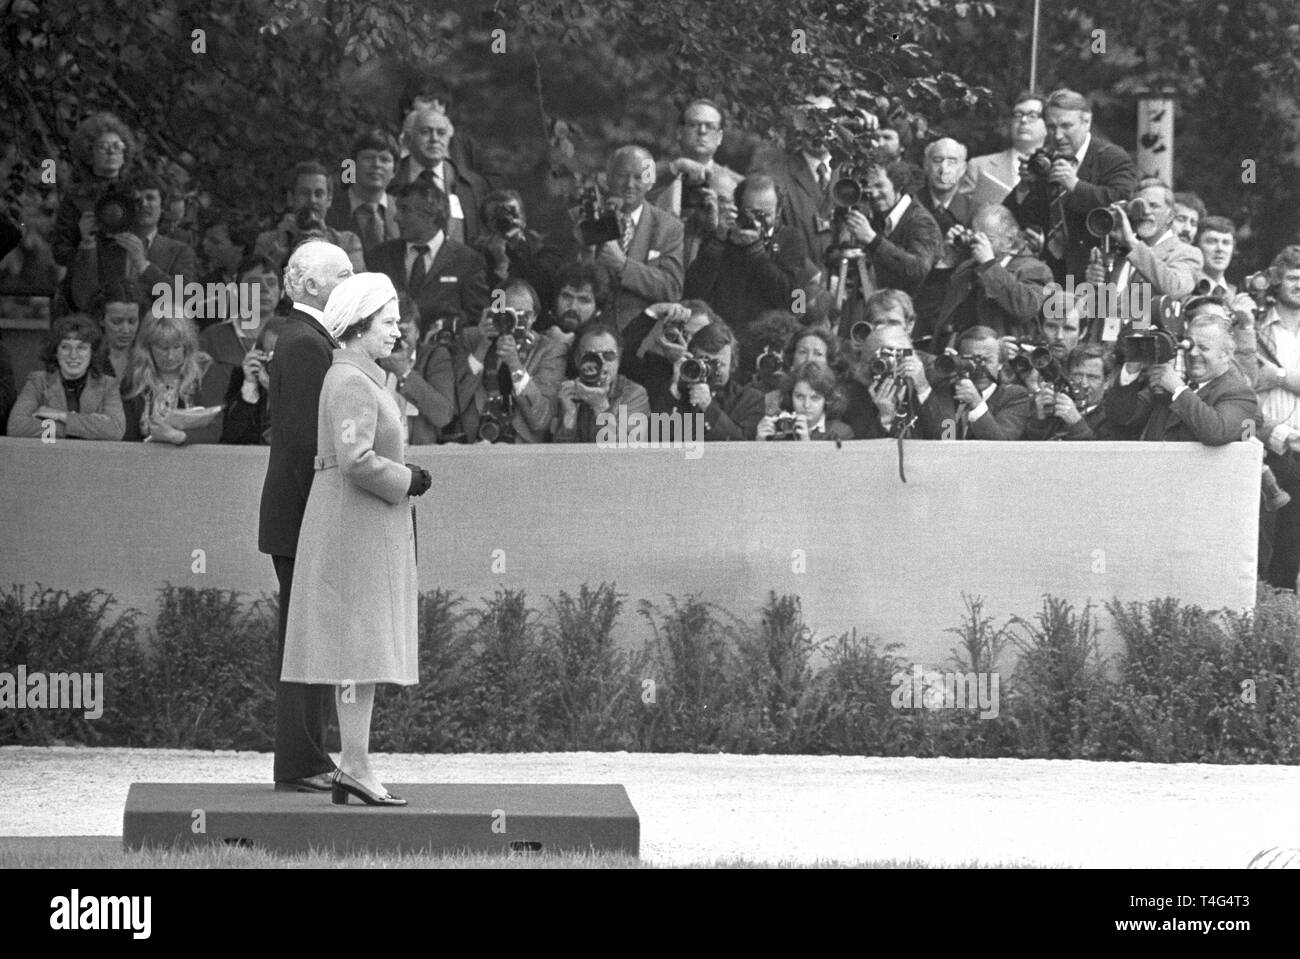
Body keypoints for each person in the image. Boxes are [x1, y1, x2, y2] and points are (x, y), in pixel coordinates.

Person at [281, 272, 430, 807]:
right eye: (388, 323)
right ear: (361, 324)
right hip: (353, 526)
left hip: (360, 524)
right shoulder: (350, 380)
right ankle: (357, 766)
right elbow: (356, 460)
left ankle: (356, 765)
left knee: (359, 651)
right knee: (356, 648)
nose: (397, 332)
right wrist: (407, 479)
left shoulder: (361, 376)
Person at [257, 240, 354, 792]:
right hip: (301, 519)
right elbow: (300, 446)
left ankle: (309, 758)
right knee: (305, 640)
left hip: (300, 515)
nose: (352, 280)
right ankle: (302, 762)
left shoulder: (308, 339)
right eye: (342, 274)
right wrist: (322, 524)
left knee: (312, 637)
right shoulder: (302, 344)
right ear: (311, 285)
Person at [1003, 88, 1137, 285]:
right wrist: (1025, 185)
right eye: (1051, 127)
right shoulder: (1045, 159)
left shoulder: (1111, 157)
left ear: (1087, 121)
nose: (1057, 136)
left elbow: (1121, 201)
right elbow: (1015, 216)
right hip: (1052, 274)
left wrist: (1075, 186)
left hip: (1097, 274)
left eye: (1066, 126)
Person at [683, 173, 813, 350]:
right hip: (722, 341)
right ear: (737, 208)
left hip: (768, 344)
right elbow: (693, 292)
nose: (756, 221)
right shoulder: (720, 237)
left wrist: (756, 251)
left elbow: (797, 304)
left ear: (778, 212)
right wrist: (719, 239)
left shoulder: (790, 239)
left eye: (764, 215)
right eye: (750, 212)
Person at [1105, 310, 1258, 444]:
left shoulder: (1240, 394)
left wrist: (1178, 390)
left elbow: (1217, 432)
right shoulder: (1167, 387)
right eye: (1189, 345)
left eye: (1203, 348)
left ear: (1225, 354)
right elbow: (1122, 417)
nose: (1193, 354)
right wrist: (1131, 369)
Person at [441, 279, 566, 444]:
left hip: (521, 449)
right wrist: (482, 347)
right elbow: (452, 407)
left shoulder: (549, 350)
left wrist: (515, 365)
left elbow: (540, 420)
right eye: (508, 314)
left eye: (523, 315)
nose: (513, 322)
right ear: (494, 313)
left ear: (534, 317)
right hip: (472, 444)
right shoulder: (471, 338)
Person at [366, 178, 489, 336]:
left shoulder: (468, 261)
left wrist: (449, 326)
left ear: (431, 214)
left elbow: (477, 319)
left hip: (445, 354)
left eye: (405, 210)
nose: (396, 218)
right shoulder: (379, 256)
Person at [68, 170, 198, 313]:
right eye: (136, 200)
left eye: (150, 198)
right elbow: (83, 300)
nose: (143, 204)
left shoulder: (180, 251)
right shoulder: (104, 247)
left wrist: (143, 266)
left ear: (162, 206)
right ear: (126, 206)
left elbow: (185, 300)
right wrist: (87, 243)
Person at [927, 204, 1054, 348]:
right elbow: (927, 310)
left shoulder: (1036, 270)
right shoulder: (966, 267)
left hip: (1001, 360)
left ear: (1009, 241)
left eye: (988, 239)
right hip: (955, 354)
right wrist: (946, 262)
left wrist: (989, 265)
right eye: (975, 236)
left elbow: (1024, 308)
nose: (978, 244)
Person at [589, 145, 685, 331]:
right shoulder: (592, 219)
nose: (630, 184)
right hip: (593, 331)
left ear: (650, 182)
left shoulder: (669, 227)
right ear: (608, 178)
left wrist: (624, 265)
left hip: (642, 334)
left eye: (639, 177)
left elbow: (672, 288)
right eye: (622, 175)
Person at [194, 254, 287, 443]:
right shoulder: (211, 338)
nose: (264, 290)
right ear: (236, 290)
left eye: (271, 283)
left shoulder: (296, 337)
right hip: (222, 439)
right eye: (254, 283)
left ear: (282, 292)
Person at [1249, 249, 1300, 588]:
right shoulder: (1255, 326)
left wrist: (1280, 376)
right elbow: (1248, 378)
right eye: (1294, 277)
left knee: (1292, 554)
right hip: (1272, 450)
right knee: (1261, 549)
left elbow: (1268, 376)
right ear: (1278, 279)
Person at [649, 99, 743, 267]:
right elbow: (625, 184)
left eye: (710, 126)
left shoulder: (736, 184)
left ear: (720, 137)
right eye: (694, 124)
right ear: (679, 132)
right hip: (659, 271)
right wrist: (675, 168)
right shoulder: (660, 172)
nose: (702, 131)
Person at [7, 314, 125, 440]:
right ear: (56, 351)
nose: (73, 355)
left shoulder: (108, 385)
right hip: (50, 457)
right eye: (65, 347)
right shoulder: (38, 381)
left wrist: (61, 415)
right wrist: (69, 428)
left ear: (92, 352)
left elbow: (115, 430)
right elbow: (16, 427)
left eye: (81, 348)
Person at [839, 154, 942, 296]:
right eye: (867, 186)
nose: (873, 193)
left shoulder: (920, 221)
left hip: (916, 311)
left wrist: (872, 239)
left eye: (879, 185)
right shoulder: (878, 217)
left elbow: (918, 268)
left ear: (898, 185)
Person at [1083, 179, 1202, 299]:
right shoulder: (1120, 253)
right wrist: (1095, 283)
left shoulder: (1187, 252)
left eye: (1153, 206)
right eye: (1139, 206)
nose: (1145, 211)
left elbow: (1175, 289)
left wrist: (1132, 244)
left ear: (1170, 216)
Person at [391, 104, 489, 244]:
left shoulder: (473, 185)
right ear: (408, 139)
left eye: (441, 133)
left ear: (449, 139)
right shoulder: (388, 177)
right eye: (425, 132)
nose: (434, 139)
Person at [119, 309, 217, 444]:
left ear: (187, 346)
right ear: (148, 348)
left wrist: (177, 436)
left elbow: (216, 431)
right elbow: (125, 434)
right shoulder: (134, 378)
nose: (170, 356)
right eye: (163, 348)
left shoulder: (205, 373)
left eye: (176, 347)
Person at [918, 325, 1031, 440]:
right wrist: (943, 369)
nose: (979, 369)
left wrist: (976, 403)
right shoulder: (945, 391)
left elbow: (1001, 445)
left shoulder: (1014, 396)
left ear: (1000, 363)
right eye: (971, 360)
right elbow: (939, 437)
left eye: (986, 360)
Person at [254, 161, 366, 274]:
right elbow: (252, 288)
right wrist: (279, 251)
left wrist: (323, 243)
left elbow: (356, 287)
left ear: (329, 200)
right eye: (304, 193)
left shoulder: (347, 242)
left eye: (318, 194)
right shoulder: (267, 241)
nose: (312, 200)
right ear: (291, 198)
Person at [664, 320, 764, 440]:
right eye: (704, 361)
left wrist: (709, 407)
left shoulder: (750, 399)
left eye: (719, 364)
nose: (710, 369)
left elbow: (741, 447)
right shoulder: (677, 391)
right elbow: (655, 439)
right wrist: (674, 390)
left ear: (732, 365)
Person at [553, 322, 650, 443]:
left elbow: (625, 453)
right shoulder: (567, 392)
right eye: (590, 356)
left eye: (608, 356)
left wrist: (600, 406)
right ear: (577, 360)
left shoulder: (634, 394)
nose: (601, 363)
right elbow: (559, 457)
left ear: (619, 360)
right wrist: (569, 416)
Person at [469, 189, 563, 310]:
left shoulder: (547, 252)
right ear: (486, 226)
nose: (507, 221)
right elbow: (489, 305)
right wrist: (500, 266)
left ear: (523, 218)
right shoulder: (477, 259)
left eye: (512, 215)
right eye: (496, 219)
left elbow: (540, 293)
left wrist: (519, 245)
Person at [960, 92, 1048, 204]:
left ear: (1047, 125)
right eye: (1018, 115)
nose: (1023, 120)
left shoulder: (1058, 168)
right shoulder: (979, 166)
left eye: (1032, 116)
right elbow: (960, 215)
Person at [1023, 343, 1124, 440]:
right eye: (1077, 375)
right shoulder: (1055, 404)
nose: (1084, 383)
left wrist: (1077, 424)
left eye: (1092, 377)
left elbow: (1103, 456)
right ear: (1068, 375)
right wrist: (1039, 421)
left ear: (1106, 382)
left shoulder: (1115, 416)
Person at [325, 129, 401, 254]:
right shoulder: (330, 209)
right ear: (352, 165)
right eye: (368, 158)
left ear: (394, 171)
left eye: (384, 159)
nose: (376, 164)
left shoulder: (403, 209)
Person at [220, 317, 287, 445]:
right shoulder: (245, 376)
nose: (276, 362)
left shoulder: (309, 380)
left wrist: (274, 391)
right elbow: (231, 437)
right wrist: (250, 384)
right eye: (270, 354)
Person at [756, 360, 853, 441]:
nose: (806, 405)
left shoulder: (840, 432)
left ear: (827, 399)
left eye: (815, 398)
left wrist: (806, 444)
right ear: (790, 396)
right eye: (800, 397)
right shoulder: (781, 426)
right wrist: (759, 443)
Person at [92, 283, 143, 381]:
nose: (126, 330)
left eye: (132, 321)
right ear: (101, 319)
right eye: (117, 322)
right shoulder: (87, 357)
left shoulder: (147, 359)